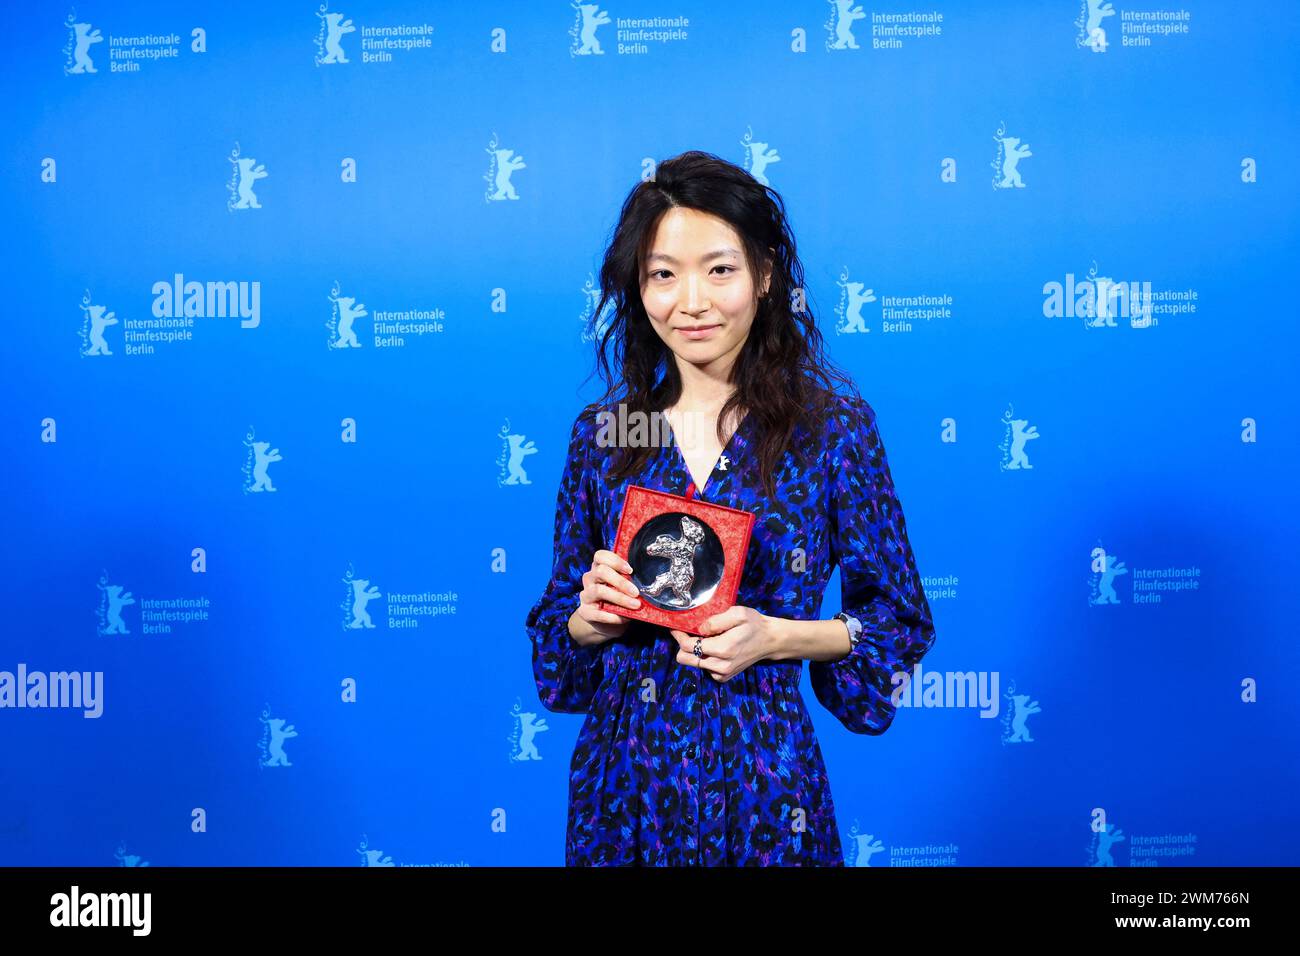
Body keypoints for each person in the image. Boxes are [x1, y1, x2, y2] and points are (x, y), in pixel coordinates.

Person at [524, 150, 936, 866]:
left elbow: (898, 621)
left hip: (765, 779)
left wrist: (778, 638)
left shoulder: (832, 430)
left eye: (720, 269)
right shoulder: (605, 434)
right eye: (663, 274)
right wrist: (586, 622)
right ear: (636, 288)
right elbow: (556, 646)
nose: (692, 301)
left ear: (765, 276)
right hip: (625, 786)